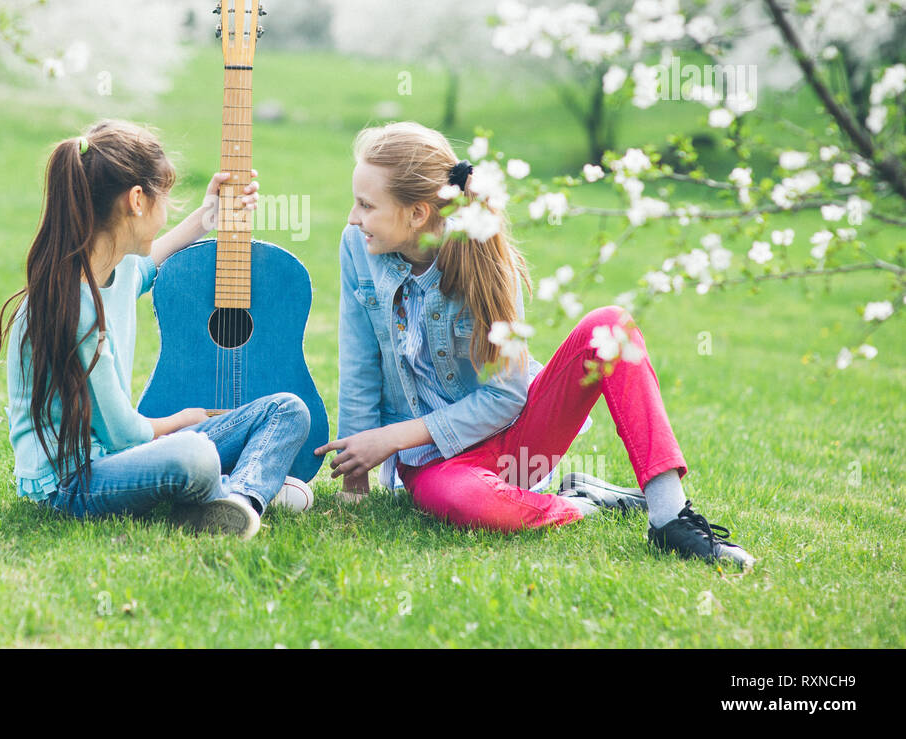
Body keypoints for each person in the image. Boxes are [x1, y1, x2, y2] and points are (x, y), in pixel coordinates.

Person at [315, 121, 755, 570]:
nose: (353, 217)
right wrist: (355, 484)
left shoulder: (482, 259)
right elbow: (359, 362)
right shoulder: (357, 247)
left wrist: (390, 437)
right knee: (464, 502)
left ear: (416, 214)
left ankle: (669, 517)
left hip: (518, 438)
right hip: (435, 464)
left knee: (611, 328)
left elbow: (504, 397)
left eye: (366, 206)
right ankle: (585, 501)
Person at [0, 119, 311, 539]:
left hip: (124, 457)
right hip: (72, 484)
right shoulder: (73, 304)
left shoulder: (115, 271)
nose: (166, 214)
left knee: (287, 409)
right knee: (194, 455)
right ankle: (237, 486)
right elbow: (122, 435)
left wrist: (207, 216)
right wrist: (182, 420)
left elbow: (154, 258)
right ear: (137, 200)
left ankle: (239, 500)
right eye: (166, 201)